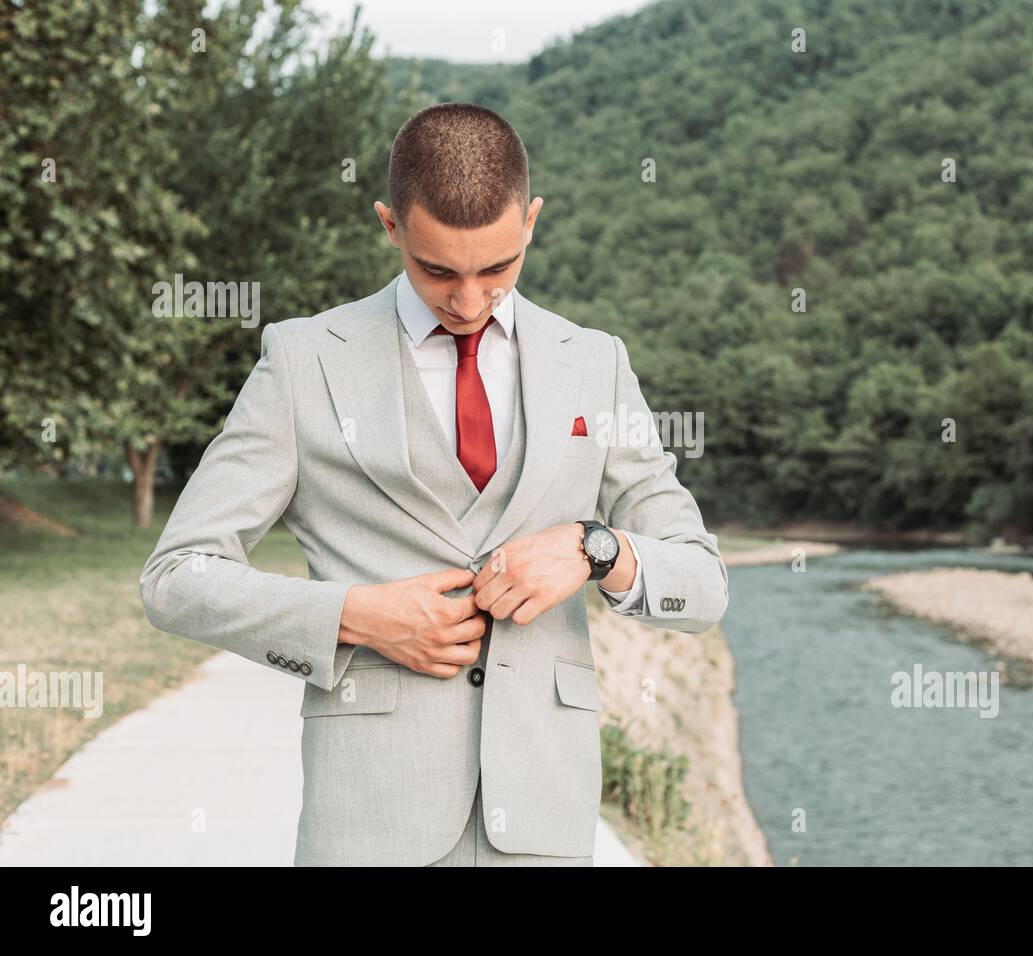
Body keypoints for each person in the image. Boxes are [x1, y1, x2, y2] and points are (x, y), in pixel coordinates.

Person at [138, 103, 728, 866]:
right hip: (370, 820)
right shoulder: (303, 362)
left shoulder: (596, 363)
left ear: (531, 222)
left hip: (544, 821)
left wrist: (597, 547)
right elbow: (176, 579)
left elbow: (704, 583)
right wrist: (353, 615)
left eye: (498, 269)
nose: (470, 300)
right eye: (438, 270)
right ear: (390, 225)